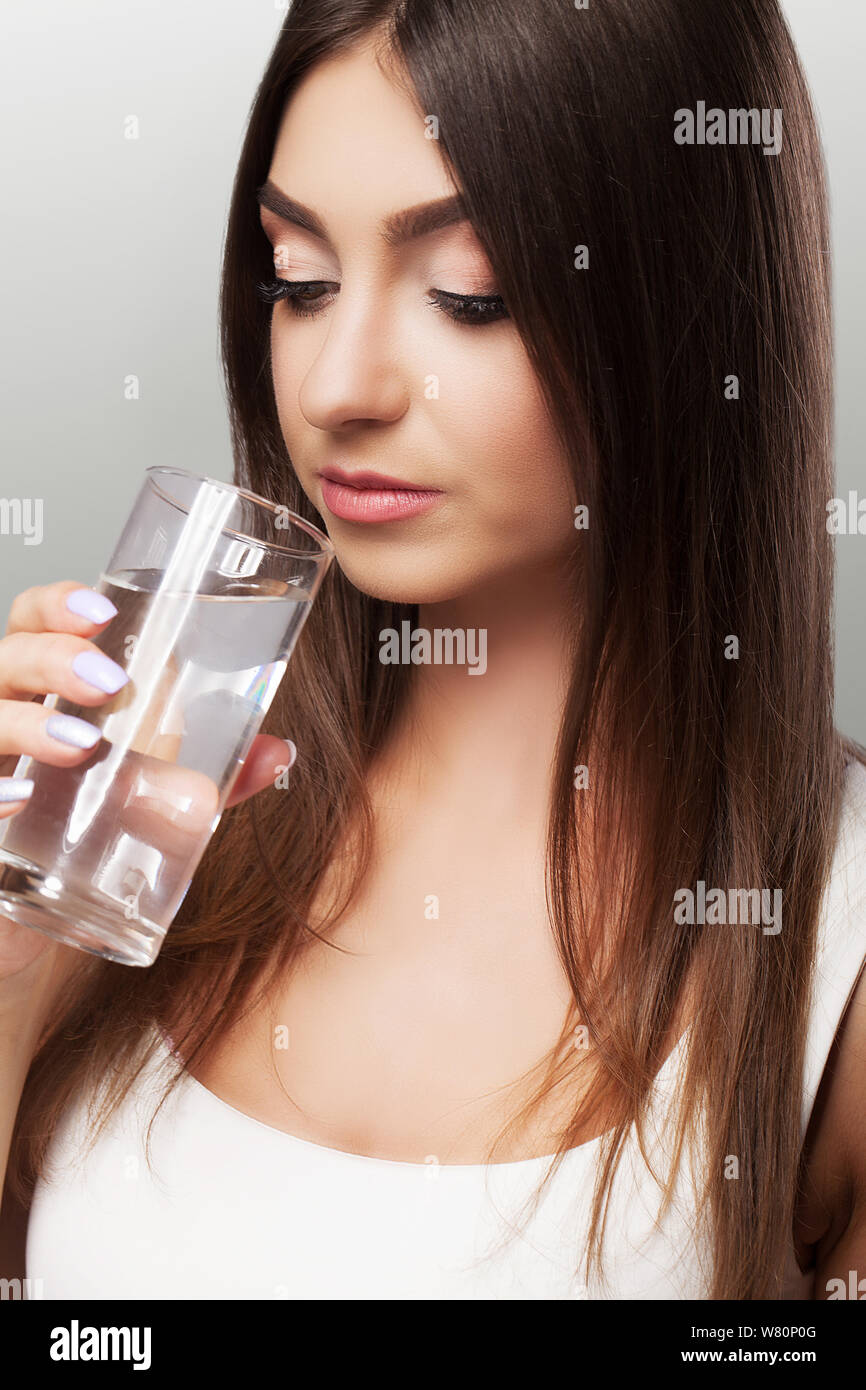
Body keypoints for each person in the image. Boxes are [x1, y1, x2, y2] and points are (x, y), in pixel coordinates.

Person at [1, 0, 864, 1300]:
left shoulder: (829, 954)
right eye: (298, 280)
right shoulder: (135, 811)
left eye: (474, 293)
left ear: (684, 305)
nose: (338, 384)